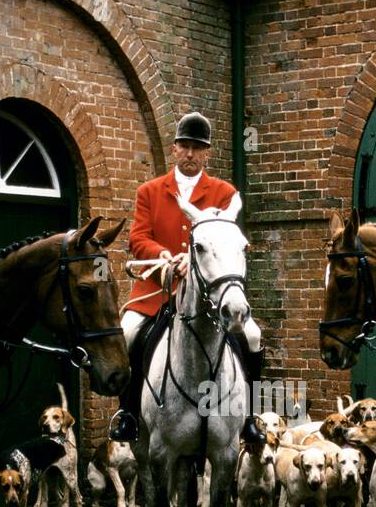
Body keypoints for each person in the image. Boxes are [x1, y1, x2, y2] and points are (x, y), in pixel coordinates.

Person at [108, 112, 265, 445]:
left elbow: (226, 236)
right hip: (156, 290)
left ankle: (249, 417)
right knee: (127, 333)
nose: (191, 154)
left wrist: (192, 260)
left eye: (198, 148)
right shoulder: (149, 191)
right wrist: (163, 257)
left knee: (252, 334)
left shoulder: (223, 192)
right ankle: (129, 413)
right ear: (174, 149)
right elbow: (138, 237)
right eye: (185, 146)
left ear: (207, 153)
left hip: (208, 293)